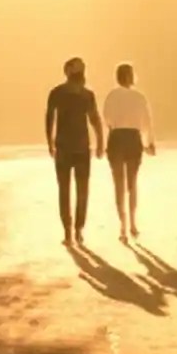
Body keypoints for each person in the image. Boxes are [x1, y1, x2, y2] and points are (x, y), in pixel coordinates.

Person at [45, 57, 105, 246]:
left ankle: (68, 231)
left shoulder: (57, 93)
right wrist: (100, 142)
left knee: (64, 189)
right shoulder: (87, 95)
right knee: (82, 189)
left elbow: (49, 119)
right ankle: (78, 229)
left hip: (63, 147)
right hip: (81, 147)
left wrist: (50, 142)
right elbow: (95, 120)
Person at [102, 62, 155, 244]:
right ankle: (133, 222)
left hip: (116, 138)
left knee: (118, 183)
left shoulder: (111, 96)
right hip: (133, 138)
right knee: (132, 183)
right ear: (131, 77)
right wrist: (149, 142)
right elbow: (147, 121)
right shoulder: (139, 97)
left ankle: (122, 226)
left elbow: (107, 118)